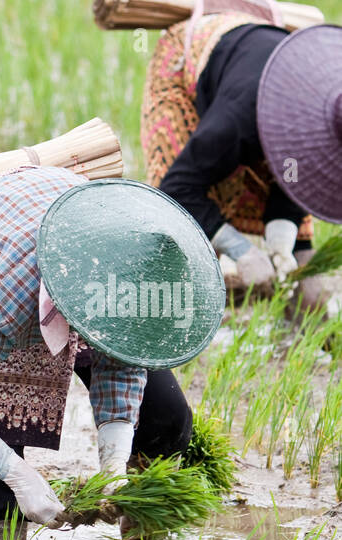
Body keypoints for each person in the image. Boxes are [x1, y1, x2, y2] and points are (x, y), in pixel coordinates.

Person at [0, 167, 226, 540]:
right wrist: (16, 473)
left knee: (166, 418)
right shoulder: (2, 299)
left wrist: (114, 465)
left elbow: (123, 361)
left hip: (89, 245)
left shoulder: (133, 272)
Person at [142, 7, 342, 314]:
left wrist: (282, 235)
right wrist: (240, 249)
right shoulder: (234, 123)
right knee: (180, 238)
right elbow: (176, 188)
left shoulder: (326, 119)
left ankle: (298, 328)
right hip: (191, 64)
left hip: (265, 72)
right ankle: (162, 326)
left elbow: (300, 180)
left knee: (308, 280)